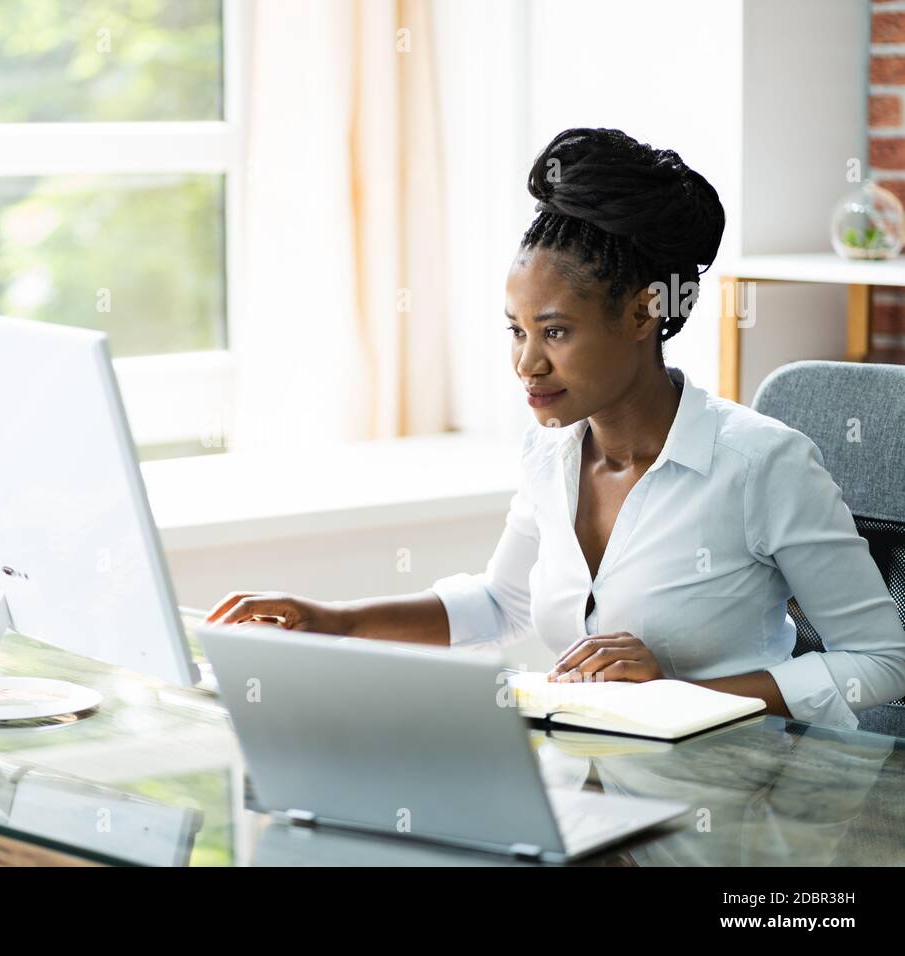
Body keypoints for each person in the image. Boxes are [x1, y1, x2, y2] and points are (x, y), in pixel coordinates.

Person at [205, 126, 905, 731]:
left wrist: (681, 698)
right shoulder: (550, 452)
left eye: (556, 332)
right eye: (516, 331)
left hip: (736, 809)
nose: (526, 363)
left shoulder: (759, 464)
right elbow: (499, 602)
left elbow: (881, 661)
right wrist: (332, 621)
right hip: (596, 785)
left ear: (641, 315)